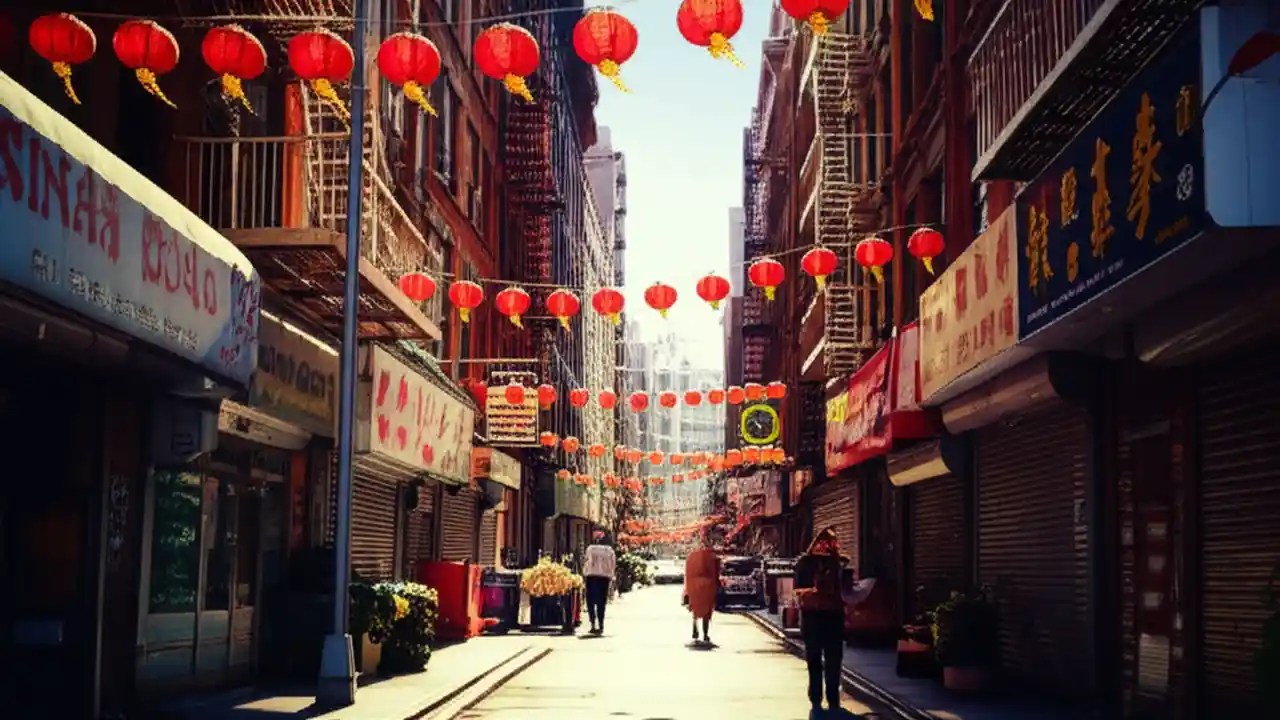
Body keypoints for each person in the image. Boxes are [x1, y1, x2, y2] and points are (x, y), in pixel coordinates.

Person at [793, 528, 876, 713]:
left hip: (830, 616)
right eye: (825, 541)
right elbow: (798, 590)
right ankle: (817, 697)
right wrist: (816, 590)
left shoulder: (839, 564)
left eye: (831, 542)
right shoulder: (804, 564)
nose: (828, 546)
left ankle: (831, 697)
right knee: (818, 659)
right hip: (814, 616)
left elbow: (847, 592)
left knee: (831, 659)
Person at [684, 535, 721, 643]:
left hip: (694, 586)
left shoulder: (692, 556)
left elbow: (688, 573)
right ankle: (705, 634)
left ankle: (695, 629)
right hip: (708, 586)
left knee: (696, 610)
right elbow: (716, 571)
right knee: (706, 612)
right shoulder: (711, 556)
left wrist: (688, 588)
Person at [581, 531, 616, 635]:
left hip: (591, 577)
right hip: (604, 578)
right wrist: (611, 577)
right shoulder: (610, 551)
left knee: (590, 602)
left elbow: (586, 562)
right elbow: (613, 565)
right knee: (602, 603)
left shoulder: (590, 549)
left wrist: (584, 574)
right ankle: (601, 625)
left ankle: (592, 625)